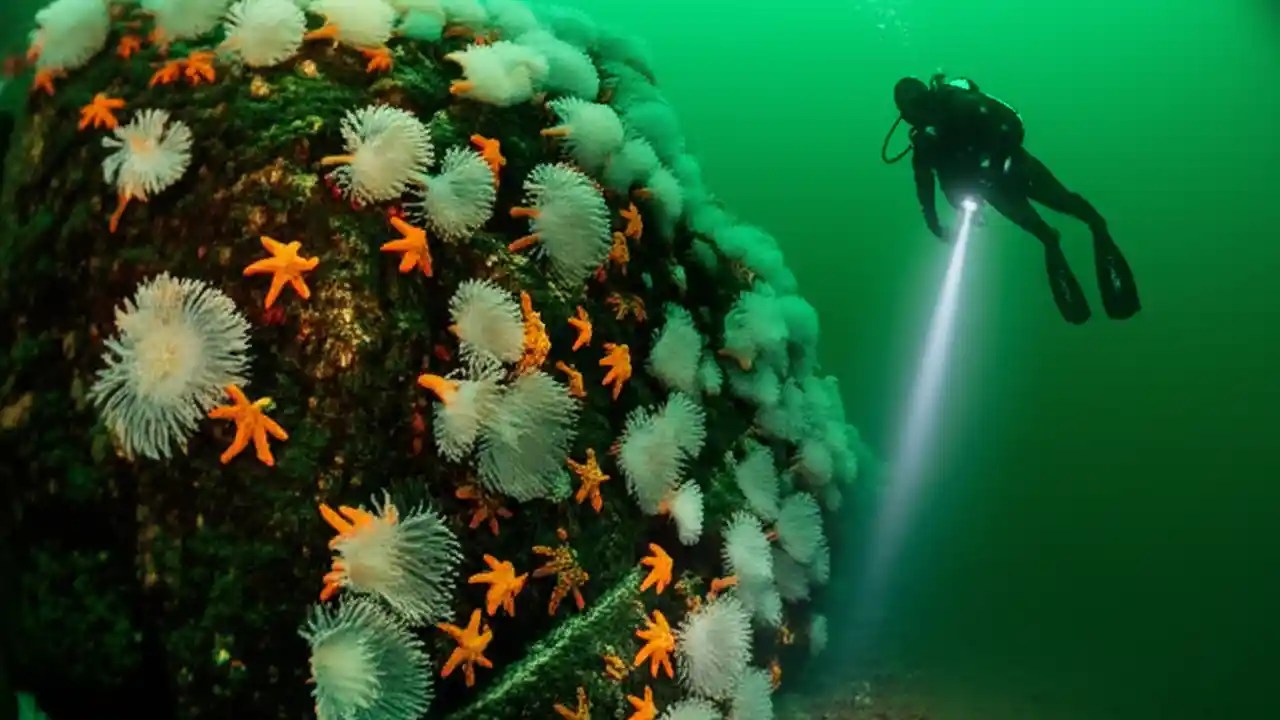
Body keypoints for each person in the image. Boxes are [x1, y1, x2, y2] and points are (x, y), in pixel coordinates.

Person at [888, 74, 1140, 324]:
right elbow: (925, 184)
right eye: (909, 110)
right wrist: (936, 221)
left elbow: (1010, 121)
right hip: (1000, 185)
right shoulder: (925, 142)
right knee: (1047, 231)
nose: (915, 113)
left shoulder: (957, 102)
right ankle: (1068, 245)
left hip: (1015, 169)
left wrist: (994, 164)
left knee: (1067, 210)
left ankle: (1091, 234)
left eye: (915, 105)